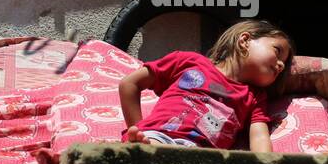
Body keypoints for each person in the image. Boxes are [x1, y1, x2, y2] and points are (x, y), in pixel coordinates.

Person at [118, 20, 294, 153]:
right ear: (245, 40)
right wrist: (138, 129)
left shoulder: (254, 97)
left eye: (283, 65)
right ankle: (138, 150)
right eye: (277, 51)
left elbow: (259, 136)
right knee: (152, 151)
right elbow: (129, 83)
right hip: (157, 137)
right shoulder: (188, 61)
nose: (280, 65)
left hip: (203, 156)